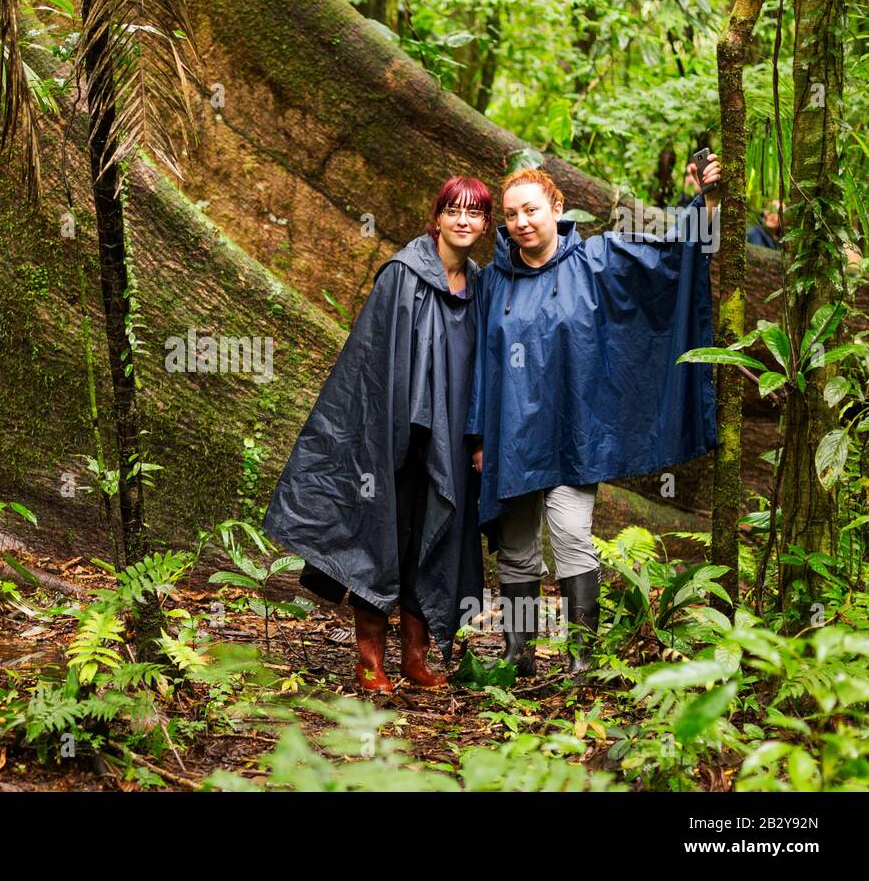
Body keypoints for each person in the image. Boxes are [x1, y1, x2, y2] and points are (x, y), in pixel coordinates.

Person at [466, 158, 721, 676]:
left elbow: (670, 258)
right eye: (512, 215)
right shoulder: (493, 282)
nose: (522, 222)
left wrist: (707, 204)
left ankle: (581, 654)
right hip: (510, 434)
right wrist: (478, 435)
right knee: (515, 549)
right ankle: (519, 653)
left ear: (556, 209)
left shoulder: (598, 260)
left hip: (574, 432)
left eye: (532, 210)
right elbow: (479, 363)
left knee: (571, 537)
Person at [263, 177, 490, 693]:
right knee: (382, 540)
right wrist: (382, 436)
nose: (462, 221)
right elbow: (369, 363)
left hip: (451, 442)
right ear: (436, 218)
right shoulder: (401, 275)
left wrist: (476, 438)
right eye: (452, 210)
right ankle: (370, 662)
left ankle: (416, 657)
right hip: (393, 441)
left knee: (432, 541)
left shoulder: (480, 287)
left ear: (483, 225)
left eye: (473, 213)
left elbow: (486, 367)